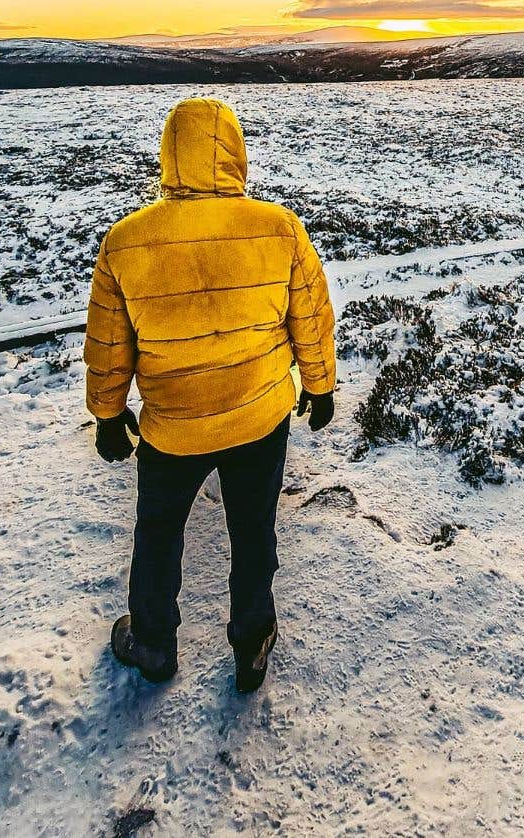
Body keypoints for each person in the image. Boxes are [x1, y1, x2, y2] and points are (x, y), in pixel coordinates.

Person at [83, 96, 336, 691]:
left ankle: (152, 643)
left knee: (158, 535)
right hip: (259, 416)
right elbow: (311, 317)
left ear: (170, 155)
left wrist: (107, 415)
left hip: (174, 425)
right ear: (236, 153)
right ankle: (251, 641)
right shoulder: (279, 227)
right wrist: (320, 385)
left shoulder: (126, 241)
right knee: (253, 532)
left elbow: (109, 343)